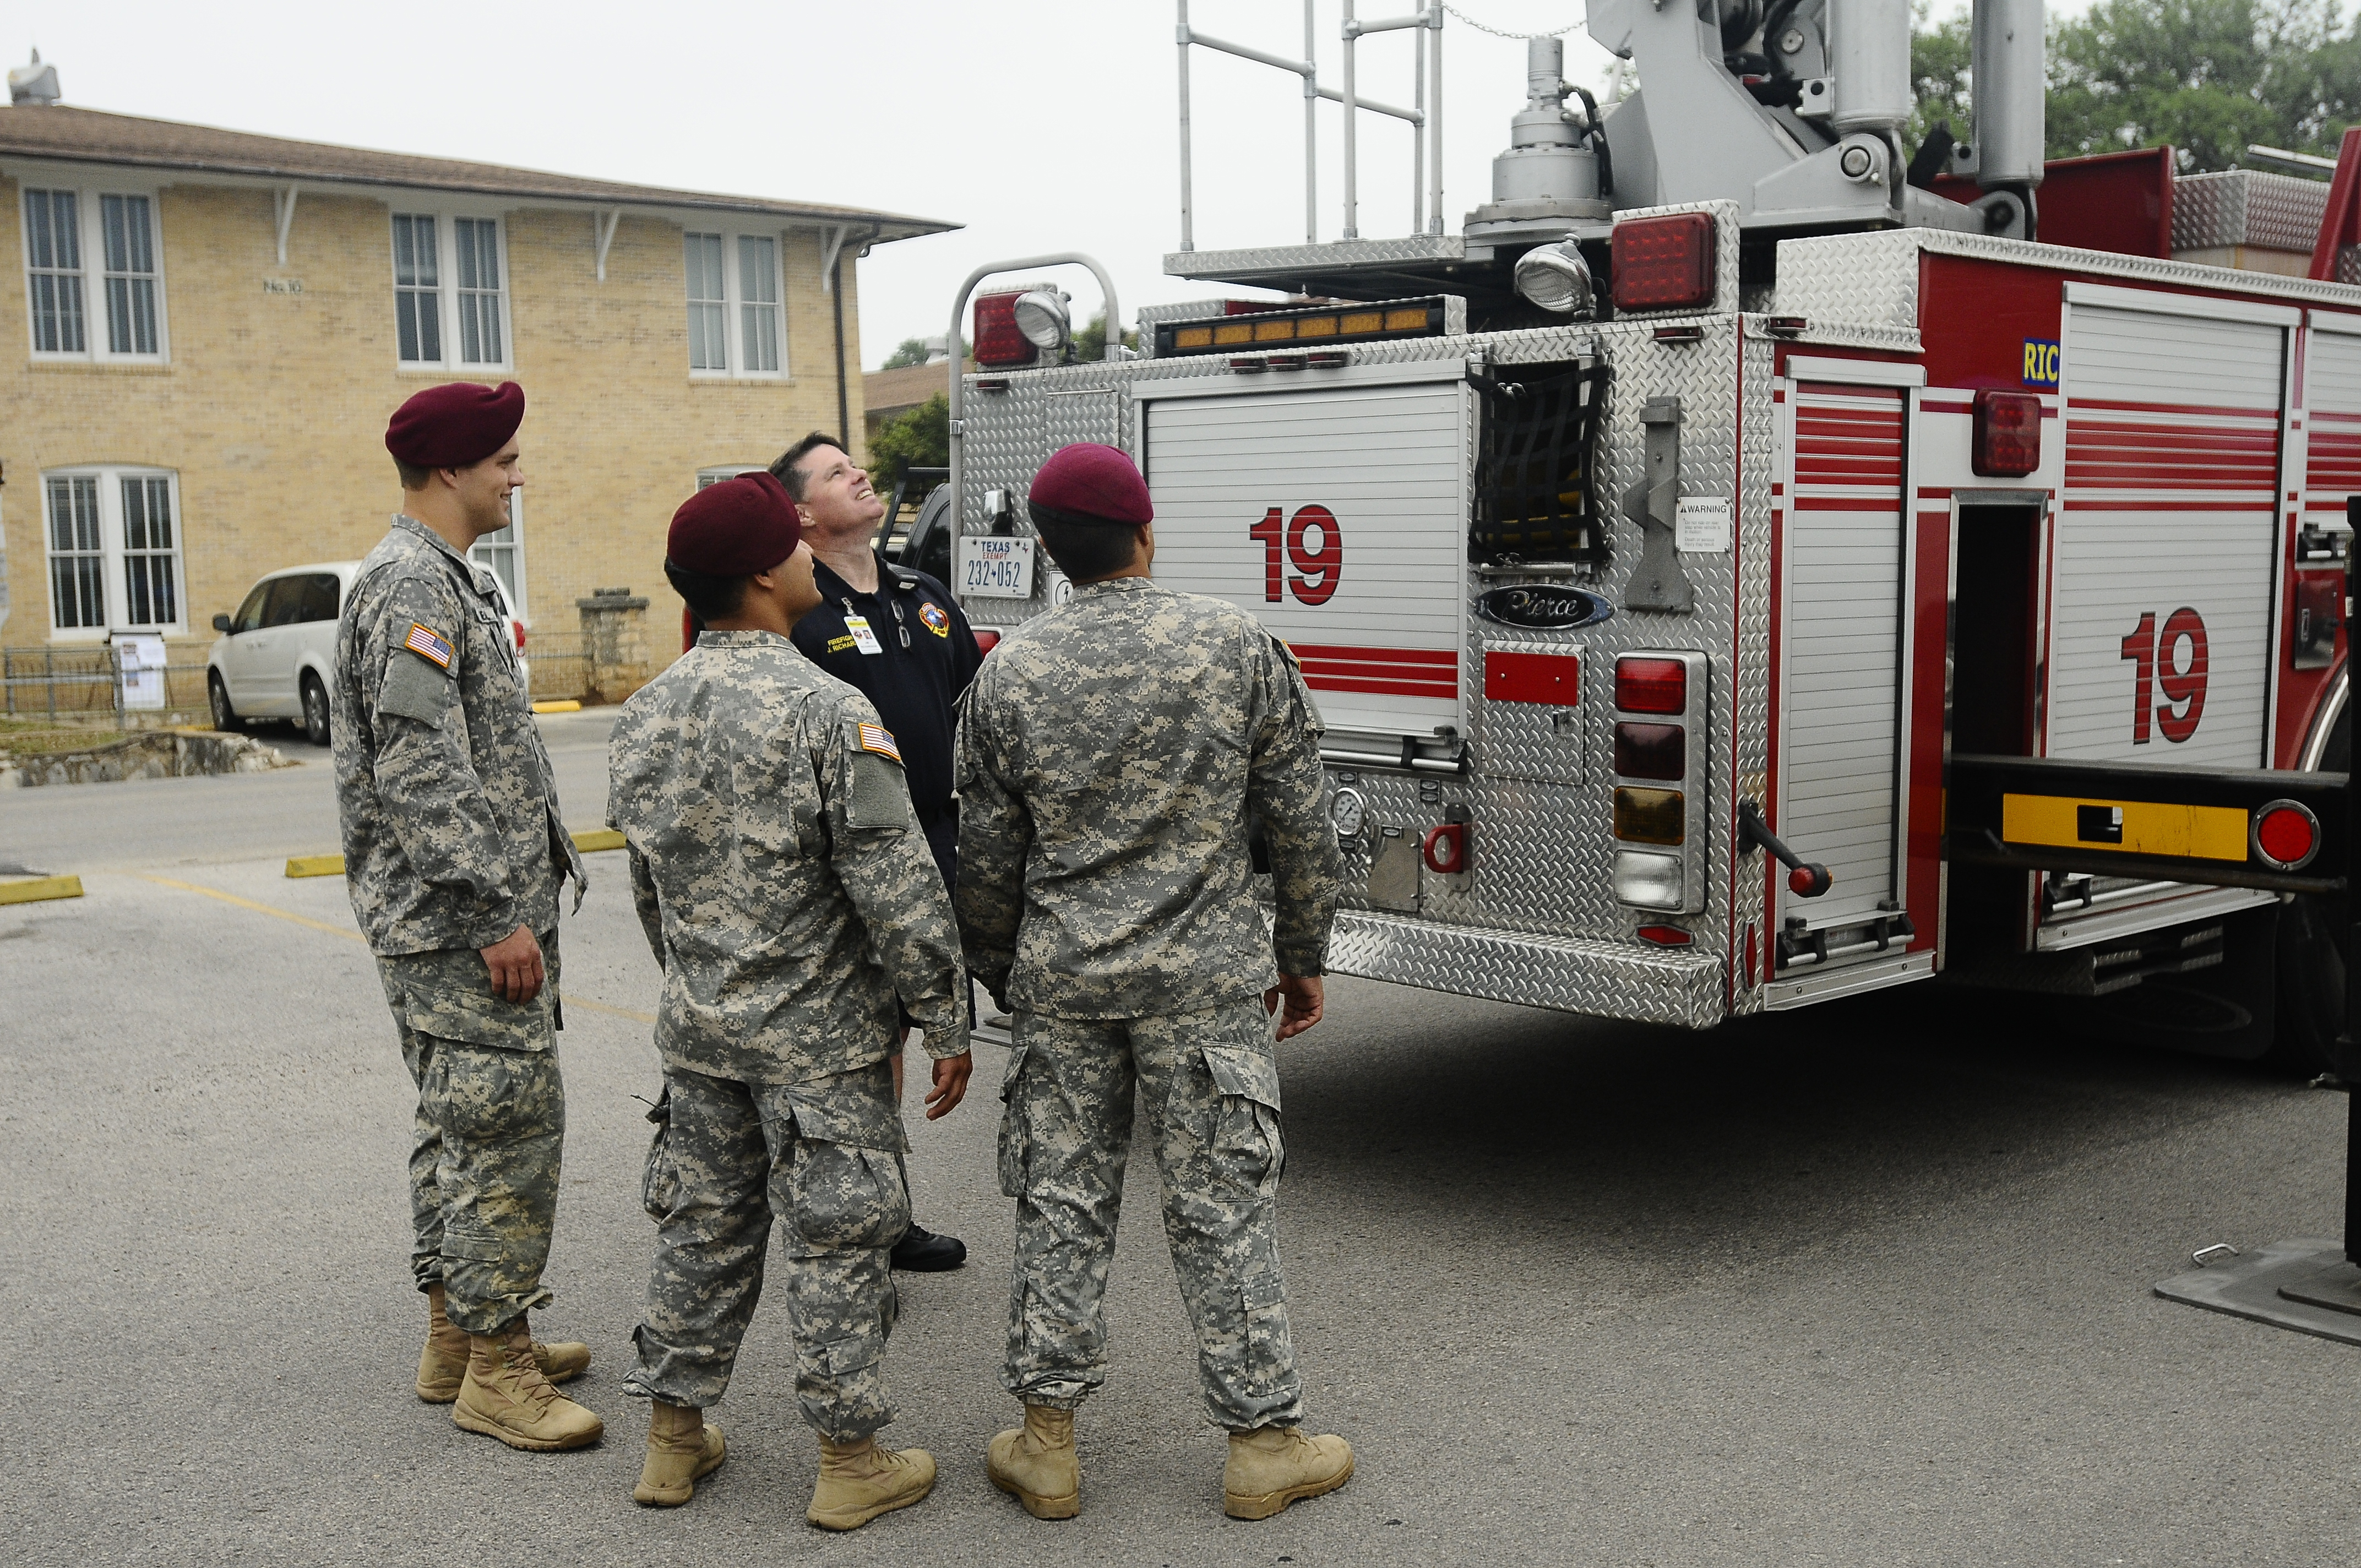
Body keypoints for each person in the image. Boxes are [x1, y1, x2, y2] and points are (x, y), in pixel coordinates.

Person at [953, 442, 1353, 1522]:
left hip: (1063, 981)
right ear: (1144, 533)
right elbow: (1300, 821)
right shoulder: (1234, 645)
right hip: (1206, 983)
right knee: (1220, 1201)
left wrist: (1002, 970)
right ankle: (1263, 1439)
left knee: (1060, 1198)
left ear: (1046, 549)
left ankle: (1045, 1443)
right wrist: (1301, 953)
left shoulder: (1008, 672)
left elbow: (985, 859)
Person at [609, 471, 974, 1527]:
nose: (814, 564)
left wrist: (700, 984)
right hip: (820, 1044)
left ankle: (672, 1446)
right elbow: (897, 885)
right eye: (798, 553)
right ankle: (848, 1459)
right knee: (838, 1242)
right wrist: (944, 1019)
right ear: (770, 575)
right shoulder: (828, 708)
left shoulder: (646, 711)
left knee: (702, 1232)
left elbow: (650, 887)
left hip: (703, 1030)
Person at [334, 380, 601, 1452]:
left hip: (439, 914)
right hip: (457, 920)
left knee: (457, 1120)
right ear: (449, 470)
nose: (517, 474)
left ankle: (459, 1332)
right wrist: (494, 909)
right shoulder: (412, 584)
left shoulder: (436, 577)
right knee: (505, 1127)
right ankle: (498, 1367)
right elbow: (418, 762)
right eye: (502, 459)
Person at [775, 431, 982, 1275]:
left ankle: (883, 1211)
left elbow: (976, 703)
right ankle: (849, 1209)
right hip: (848, 850)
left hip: (936, 835)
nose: (858, 473)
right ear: (801, 514)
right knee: (859, 1035)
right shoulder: (794, 608)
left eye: (853, 463)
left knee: (896, 1022)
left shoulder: (923, 592)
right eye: (835, 473)